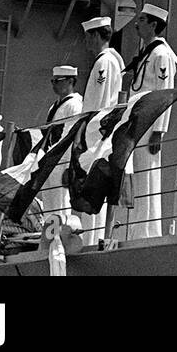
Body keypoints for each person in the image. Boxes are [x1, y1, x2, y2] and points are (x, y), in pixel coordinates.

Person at [128, 4, 177, 238]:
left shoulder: (161, 54)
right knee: (140, 175)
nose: (137, 24)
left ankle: (146, 231)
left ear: (154, 25)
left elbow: (165, 92)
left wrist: (160, 130)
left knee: (148, 175)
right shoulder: (148, 51)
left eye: (142, 20)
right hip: (139, 120)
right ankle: (141, 228)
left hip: (150, 122)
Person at [78, 16, 123, 242]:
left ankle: (92, 238)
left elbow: (100, 102)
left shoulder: (103, 62)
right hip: (99, 131)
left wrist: (90, 130)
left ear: (96, 35)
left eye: (87, 36)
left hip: (98, 133)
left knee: (93, 184)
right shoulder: (108, 61)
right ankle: (93, 236)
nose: (85, 40)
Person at [42, 66, 83, 222]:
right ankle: (49, 240)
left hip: (62, 162)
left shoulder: (74, 105)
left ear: (70, 81)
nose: (54, 85)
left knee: (60, 204)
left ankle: (61, 240)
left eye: (58, 81)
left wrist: (69, 167)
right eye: (53, 81)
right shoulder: (54, 106)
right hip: (49, 160)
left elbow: (72, 137)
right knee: (49, 205)